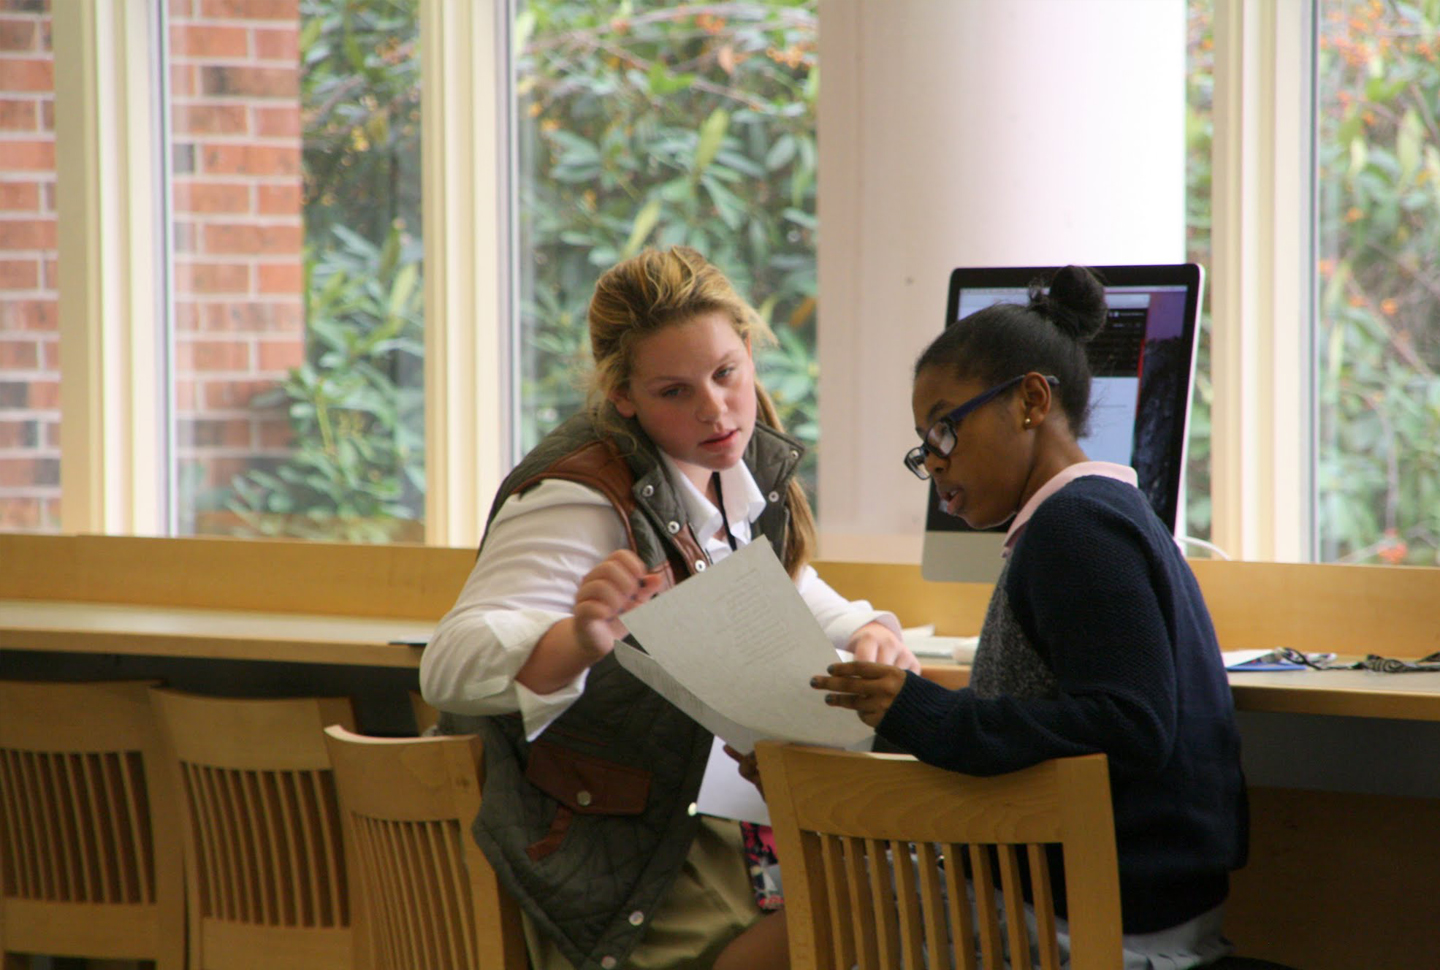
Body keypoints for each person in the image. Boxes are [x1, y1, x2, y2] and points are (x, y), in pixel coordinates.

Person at [420, 245, 919, 970]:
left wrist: (867, 630)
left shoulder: (719, 474)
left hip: (694, 827)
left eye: (726, 375)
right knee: (891, 914)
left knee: (909, 896)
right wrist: (578, 640)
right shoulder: (580, 496)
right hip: (623, 868)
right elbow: (450, 661)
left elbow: (786, 593)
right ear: (623, 396)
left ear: (748, 352)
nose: (715, 409)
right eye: (673, 392)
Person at [811, 265, 1249, 968]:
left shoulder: (1078, 530)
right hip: (1110, 902)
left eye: (944, 431)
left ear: (1031, 401)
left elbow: (1128, 727)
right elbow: (1046, 731)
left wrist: (928, 716)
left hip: (1105, 922)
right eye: (924, 447)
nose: (934, 463)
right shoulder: (1084, 520)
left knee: (828, 900)